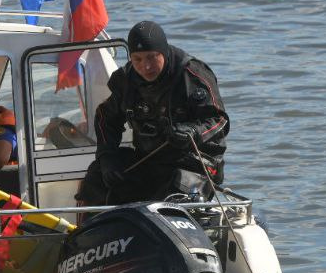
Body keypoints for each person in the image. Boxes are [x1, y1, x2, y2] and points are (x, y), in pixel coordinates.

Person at [76, 21, 228, 206]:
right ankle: (91, 229)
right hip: (149, 161)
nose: (145, 66)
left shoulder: (191, 75)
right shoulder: (125, 80)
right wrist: (107, 156)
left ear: (163, 53)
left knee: (175, 195)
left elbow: (219, 120)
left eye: (151, 57)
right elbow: (105, 118)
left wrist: (192, 132)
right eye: (137, 59)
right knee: (99, 175)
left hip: (194, 163)